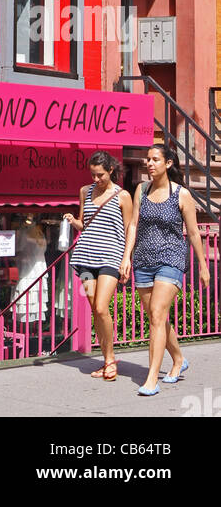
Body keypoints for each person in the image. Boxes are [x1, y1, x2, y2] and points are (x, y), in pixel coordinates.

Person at [120, 143, 211, 395]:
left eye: (155, 159)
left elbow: (193, 232)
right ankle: (179, 359)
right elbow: (134, 225)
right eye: (148, 159)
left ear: (168, 163)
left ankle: (151, 379)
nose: (149, 163)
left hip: (171, 258)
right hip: (143, 260)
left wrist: (203, 265)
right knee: (156, 317)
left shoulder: (181, 194)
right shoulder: (141, 190)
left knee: (158, 314)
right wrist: (126, 257)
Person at [63, 151, 132, 381]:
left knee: (102, 307)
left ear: (110, 170)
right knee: (95, 309)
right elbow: (84, 223)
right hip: (85, 258)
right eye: (92, 174)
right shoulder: (85, 191)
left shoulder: (122, 196)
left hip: (110, 258)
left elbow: (129, 228)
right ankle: (106, 360)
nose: (96, 179)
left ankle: (110, 359)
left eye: (100, 175)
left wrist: (126, 258)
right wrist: (74, 222)